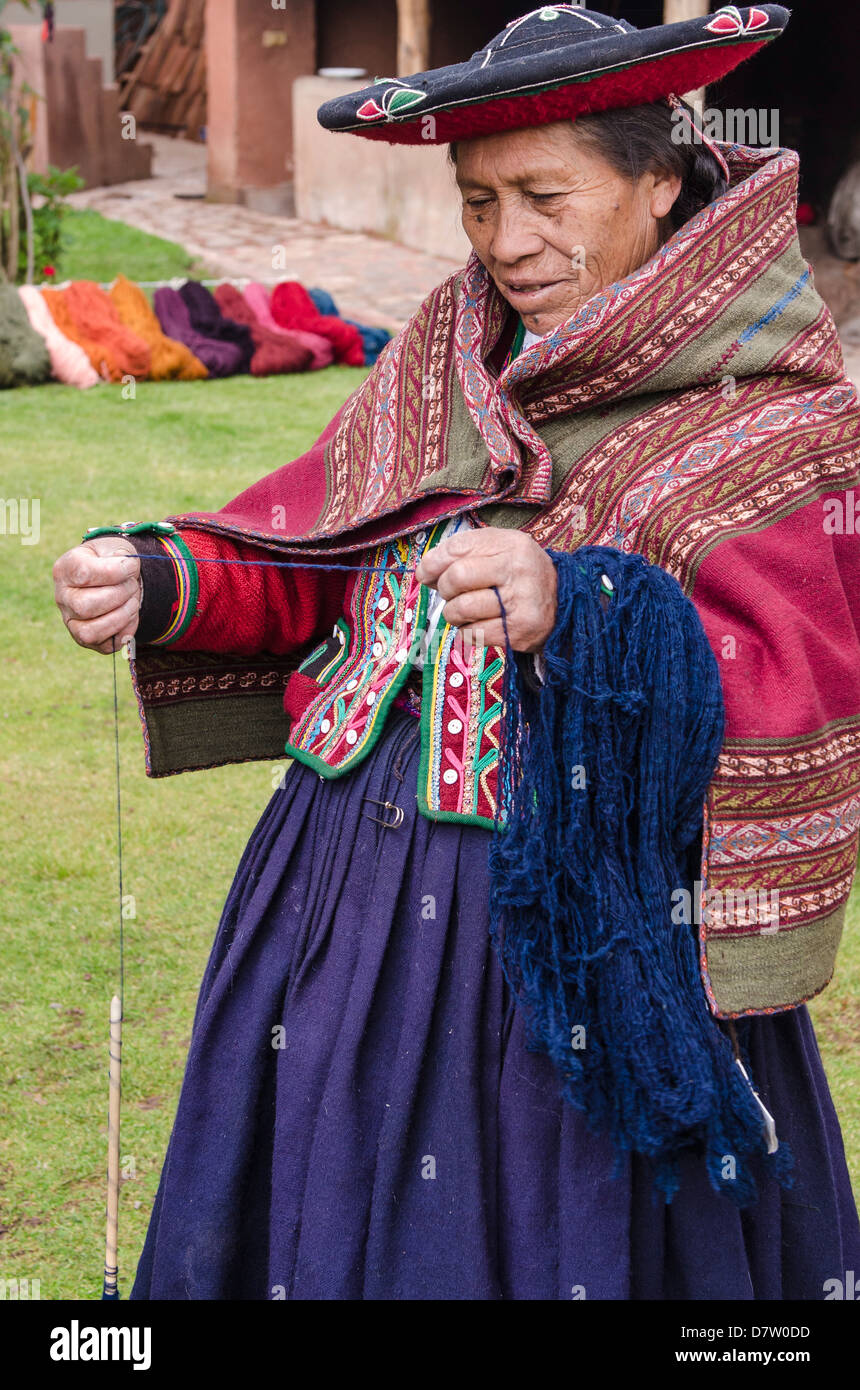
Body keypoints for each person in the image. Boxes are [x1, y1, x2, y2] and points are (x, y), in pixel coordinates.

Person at [53, 6, 860, 1300]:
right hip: (341, 903)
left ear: (661, 180)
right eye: (479, 201)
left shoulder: (774, 413)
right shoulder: (448, 353)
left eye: (547, 195)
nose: (507, 242)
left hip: (566, 946)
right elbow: (327, 544)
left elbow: (797, 690)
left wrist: (578, 606)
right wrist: (162, 579)